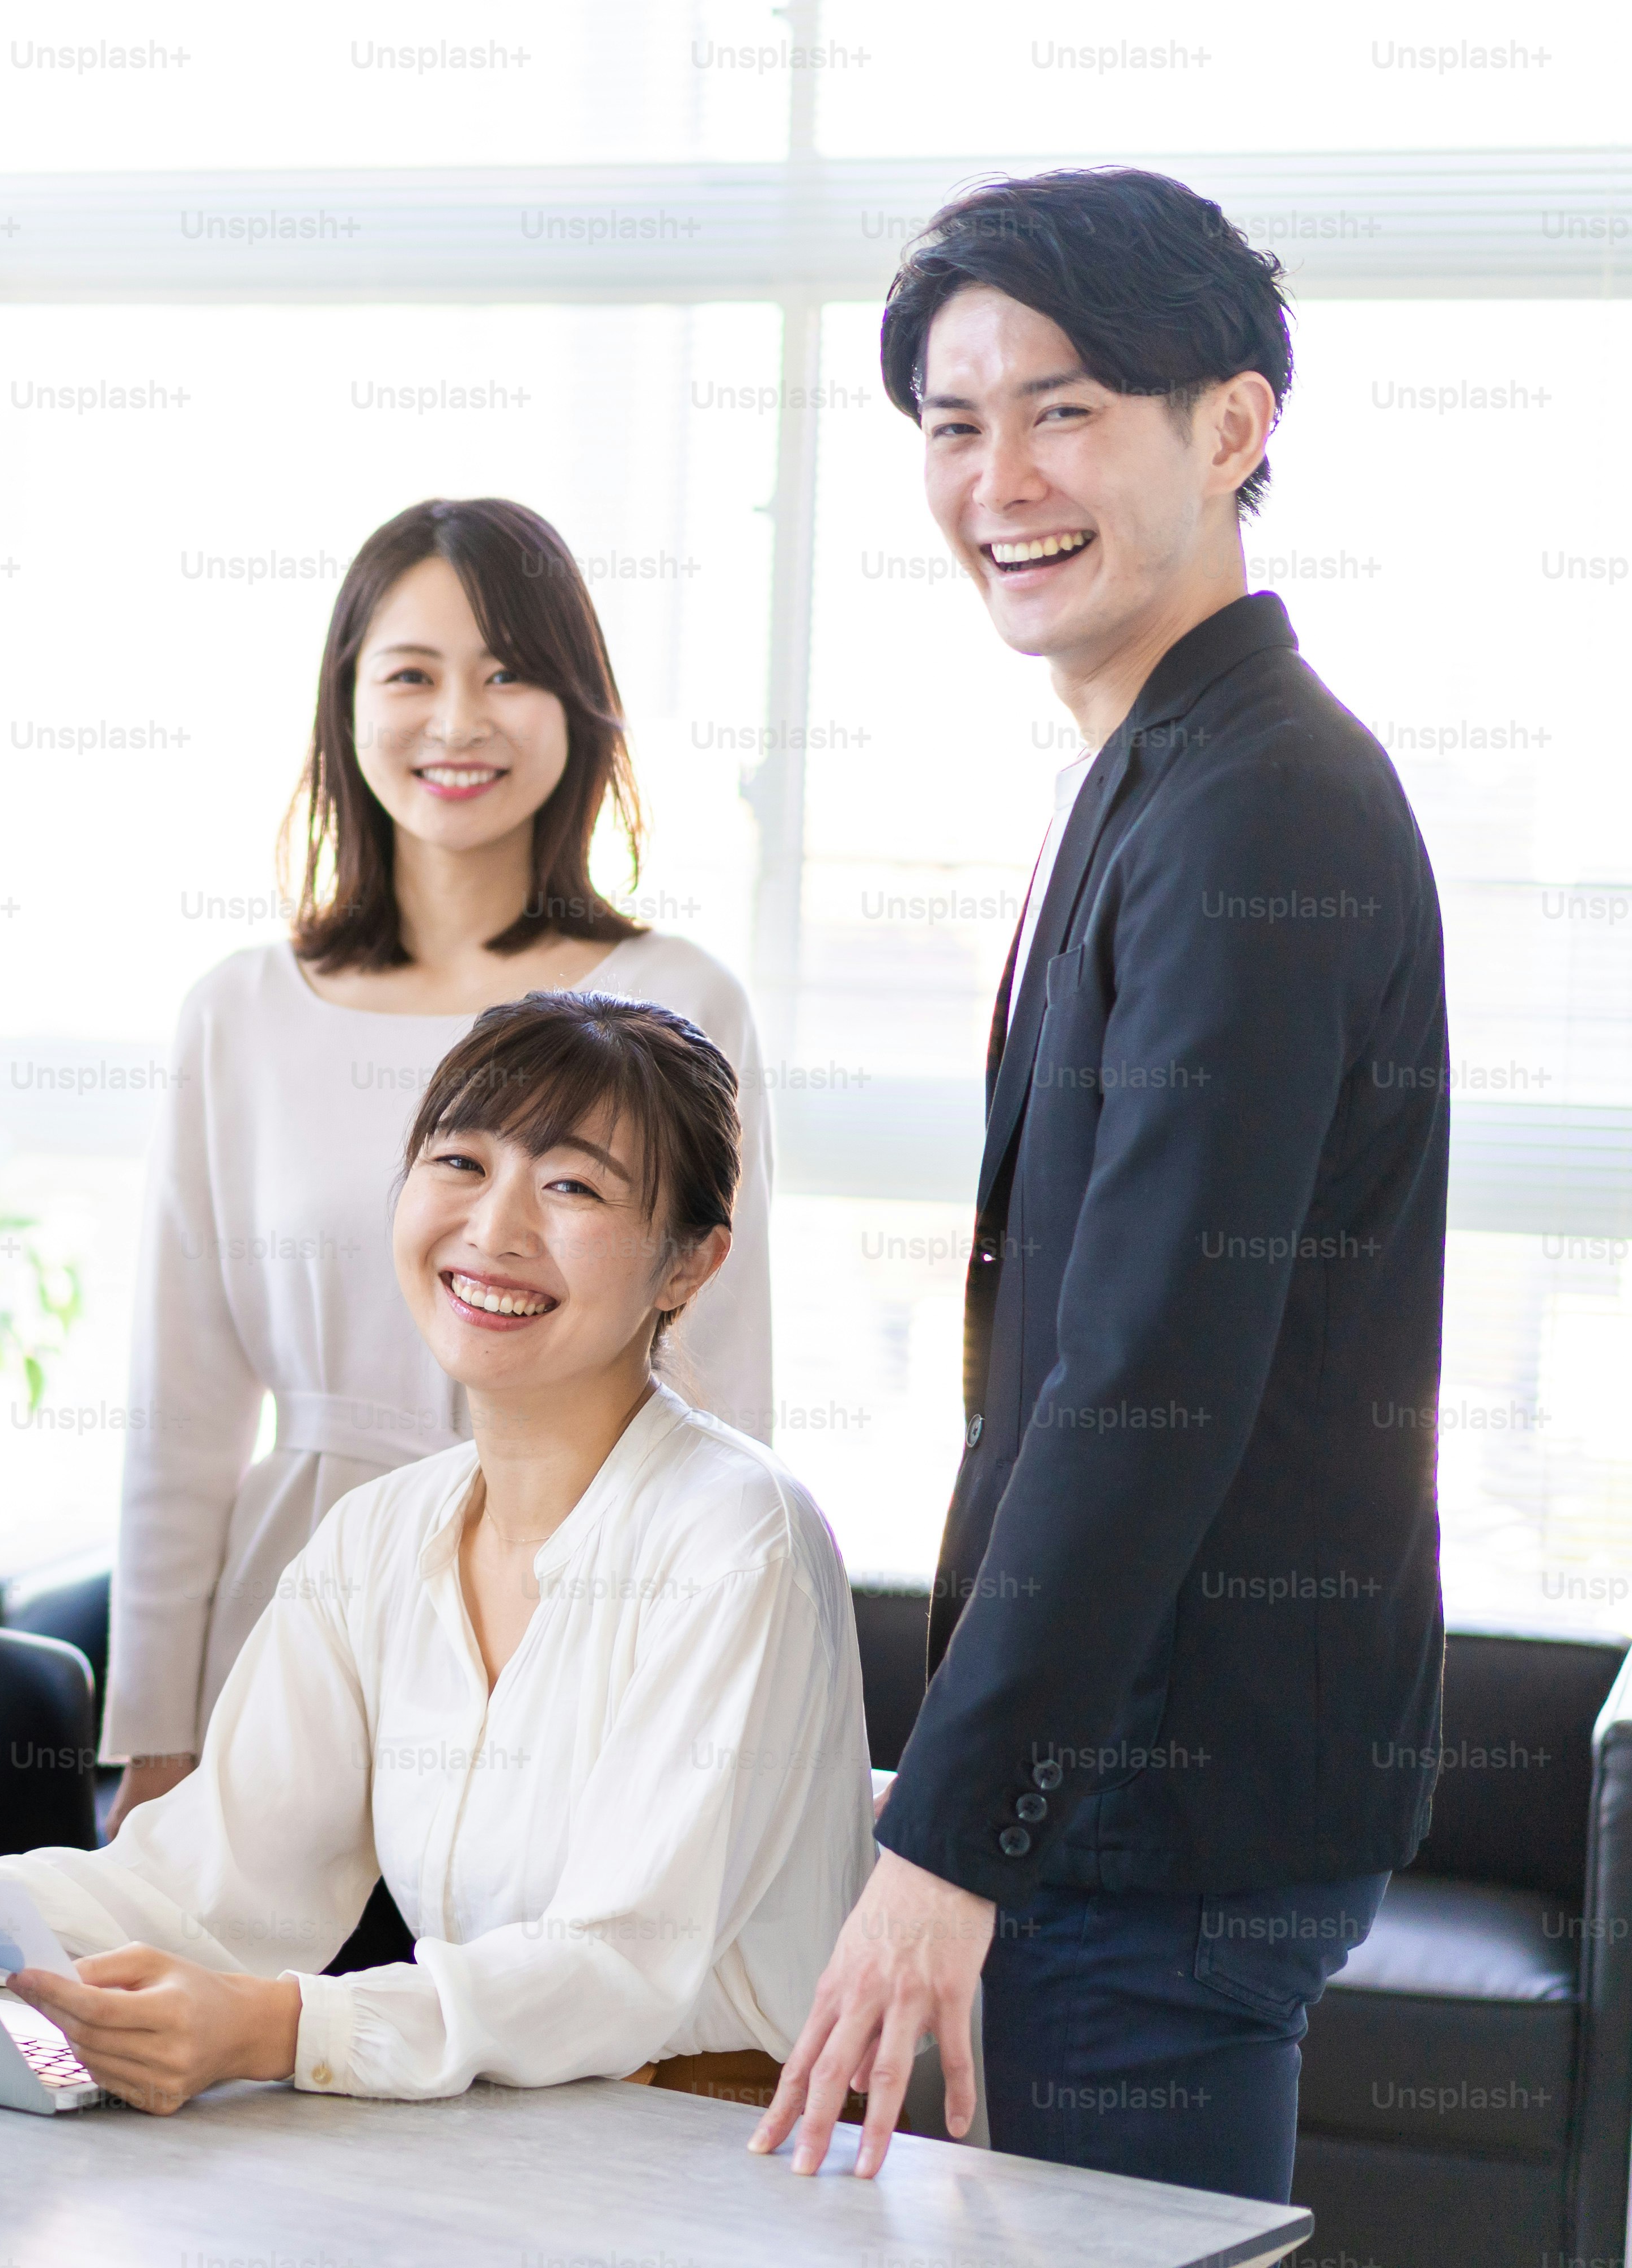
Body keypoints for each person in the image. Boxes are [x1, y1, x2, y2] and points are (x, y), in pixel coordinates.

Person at [754, 168, 1448, 2201]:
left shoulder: (1258, 804)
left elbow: (1150, 1374)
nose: (998, 481)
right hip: (1140, 1789)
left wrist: (952, 1836)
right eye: (953, 427)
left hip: (1170, 1809)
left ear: (1231, 427)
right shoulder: (1159, 769)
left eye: (1062, 411)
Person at [0, 992, 867, 2113]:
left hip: (721, 2150)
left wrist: (278, 2023)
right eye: (461, 1161)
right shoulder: (379, 1536)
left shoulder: (738, 1534)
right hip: (497, 2128)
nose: (495, 1227)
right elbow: (205, 1883)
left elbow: (617, 1964)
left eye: (573, 1184)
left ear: (689, 1264)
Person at [105, 498, 776, 1834]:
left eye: (511, 672)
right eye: (411, 674)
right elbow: (178, 1408)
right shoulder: (241, 1008)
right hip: (291, 1613)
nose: (459, 720)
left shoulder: (668, 996)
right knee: (254, 2017)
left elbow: (725, 1392)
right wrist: (157, 1734)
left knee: (517, 2020)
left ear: (579, 709)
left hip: (579, 1608)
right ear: (344, 703)